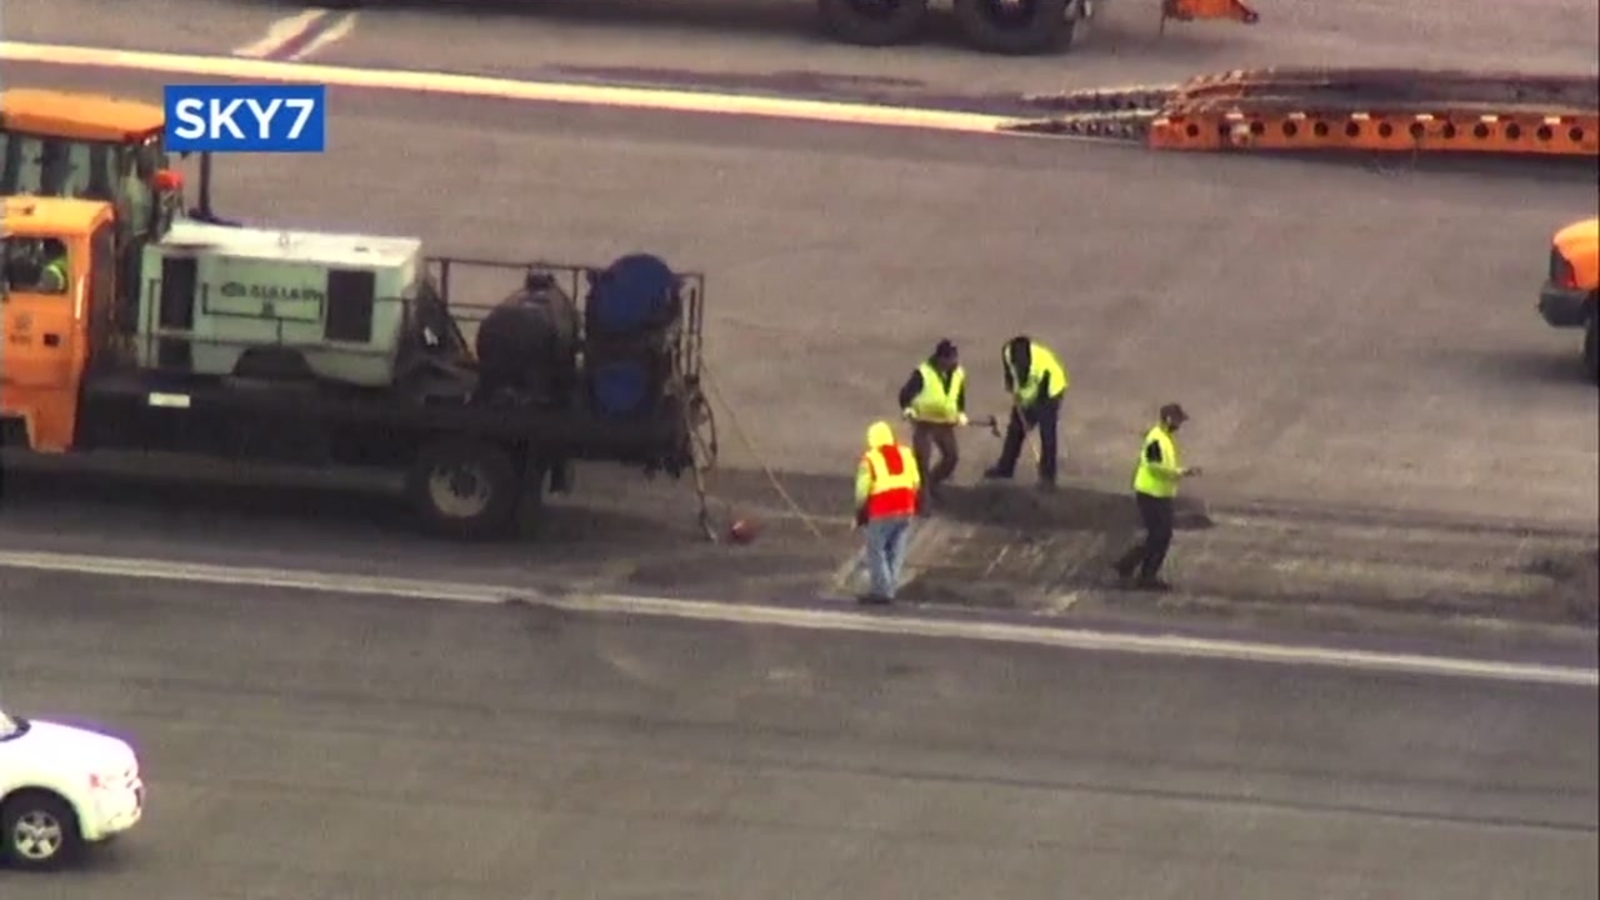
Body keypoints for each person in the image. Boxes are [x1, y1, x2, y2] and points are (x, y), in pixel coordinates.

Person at [1110, 403, 1202, 591]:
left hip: (1160, 493)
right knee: (1160, 535)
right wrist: (1180, 472)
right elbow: (1153, 465)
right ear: (1168, 419)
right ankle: (1139, 572)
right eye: (1177, 420)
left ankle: (1134, 569)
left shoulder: (1163, 438)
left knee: (1159, 535)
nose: (1179, 425)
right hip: (1150, 493)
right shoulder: (1156, 439)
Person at [984, 335, 1068, 489]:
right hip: (1026, 393)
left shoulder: (1043, 367)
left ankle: (1048, 477)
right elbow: (1009, 375)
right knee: (1015, 429)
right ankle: (1005, 468)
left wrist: (1028, 413)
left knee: (1047, 434)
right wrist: (1011, 386)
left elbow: (1040, 399)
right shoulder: (1008, 352)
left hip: (1050, 393)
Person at [854, 419, 922, 605]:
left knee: (876, 550)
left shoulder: (870, 459)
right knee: (896, 550)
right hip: (906, 508)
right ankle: (890, 586)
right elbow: (916, 481)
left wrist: (860, 512)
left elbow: (862, 491)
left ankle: (882, 591)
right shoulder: (906, 454)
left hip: (883, 510)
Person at [897, 339, 967, 509]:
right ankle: (924, 500)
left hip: (944, 423)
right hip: (924, 422)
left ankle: (933, 482)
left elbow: (959, 396)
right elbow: (904, 394)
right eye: (950, 358)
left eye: (955, 358)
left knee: (951, 457)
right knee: (923, 460)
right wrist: (907, 410)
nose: (954, 362)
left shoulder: (958, 373)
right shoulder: (923, 373)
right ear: (941, 358)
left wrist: (960, 413)